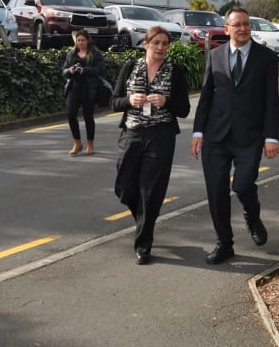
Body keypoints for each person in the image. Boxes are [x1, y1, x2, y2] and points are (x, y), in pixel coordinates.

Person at [190, 7, 279, 265]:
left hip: (249, 137)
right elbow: (205, 96)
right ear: (227, 29)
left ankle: (252, 217)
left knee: (241, 185)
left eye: (246, 24)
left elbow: (271, 101)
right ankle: (224, 243)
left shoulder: (266, 58)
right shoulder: (215, 55)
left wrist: (271, 137)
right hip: (215, 136)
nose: (242, 28)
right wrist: (198, 132)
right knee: (216, 192)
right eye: (237, 25)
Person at [112, 26, 190, 265]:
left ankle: (143, 244)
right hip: (132, 133)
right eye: (156, 42)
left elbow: (184, 109)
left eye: (165, 43)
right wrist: (129, 100)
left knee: (151, 191)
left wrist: (166, 101)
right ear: (145, 44)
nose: (161, 47)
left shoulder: (175, 71)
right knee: (124, 188)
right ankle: (143, 221)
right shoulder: (130, 67)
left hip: (161, 136)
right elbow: (114, 102)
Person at [62, 28, 106, 156]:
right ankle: (77, 143)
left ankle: (90, 144)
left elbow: (101, 70)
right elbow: (63, 71)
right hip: (74, 88)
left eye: (82, 40)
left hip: (89, 89)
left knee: (88, 117)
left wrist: (85, 70)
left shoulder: (95, 53)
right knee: (71, 115)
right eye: (78, 40)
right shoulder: (71, 53)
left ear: (88, 41)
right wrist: (69, 71)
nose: (80, 42)